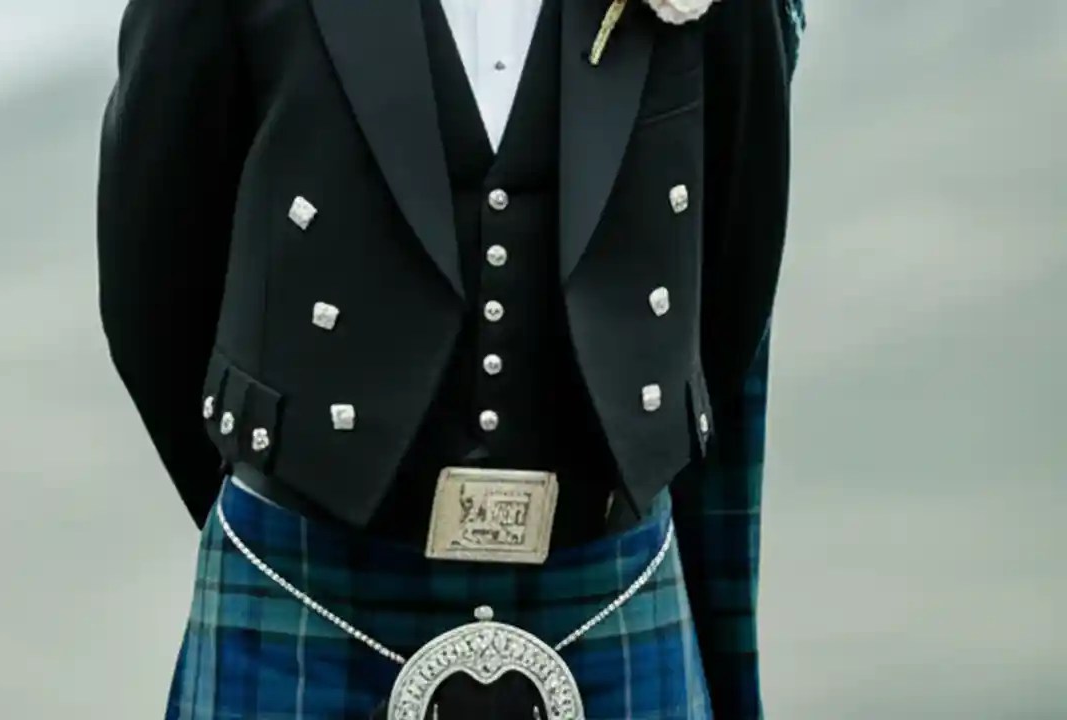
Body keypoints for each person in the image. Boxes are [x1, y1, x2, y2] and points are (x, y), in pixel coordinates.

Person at [96, 0, 803, 717]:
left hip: (610, 582)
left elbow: (733, 266)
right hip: (302, 583)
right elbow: (153, 269)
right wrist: (282, 509)